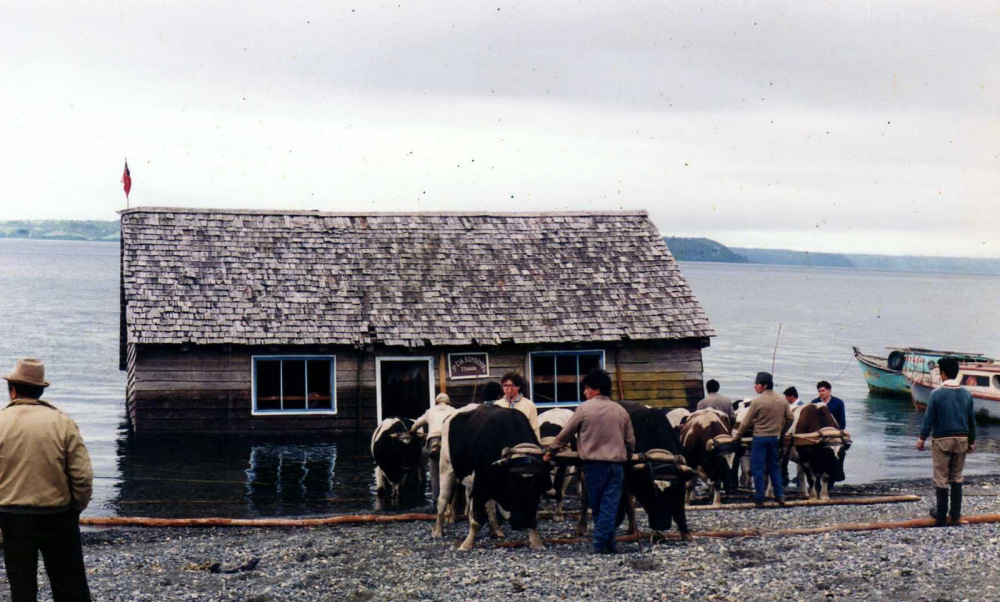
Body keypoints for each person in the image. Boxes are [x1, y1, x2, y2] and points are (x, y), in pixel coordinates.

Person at [0, 358, 93, 601]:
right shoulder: (62, 422)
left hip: (12, 517)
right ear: (40, 390)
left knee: (21, 589)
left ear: (13, 390)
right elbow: (82, 476)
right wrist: (76, 507)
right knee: (70, 586)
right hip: (57, 516)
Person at [543, 369, 634, 554]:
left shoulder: (584, 409)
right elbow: (630, 441)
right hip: (616, 465)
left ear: (596, 390)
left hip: (593, 466)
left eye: (586, 389)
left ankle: (600, 544)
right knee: (609, 504)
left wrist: (551, 451)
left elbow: (565, 434)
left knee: (600, 505)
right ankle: (610, 543)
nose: (584, 393)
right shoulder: (621, 410)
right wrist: (628, 455)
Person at [916, 356, 976, 526]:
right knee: (957, 477)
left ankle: (941, 514)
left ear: (942, 373)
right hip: (962, 439)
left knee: (941, 477)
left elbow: (929, 419)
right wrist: (971, 441)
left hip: (942, 439)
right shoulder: (966, 394)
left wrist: (921, 439)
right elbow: (971, 420)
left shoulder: (936, 394)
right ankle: (955, 514)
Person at [735, 371, 793, 508]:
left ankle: (760, 497)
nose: (755, 387)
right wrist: (782, 431)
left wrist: (737, 436)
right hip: (774, 438)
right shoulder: (782, 400)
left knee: (757, 468)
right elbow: (790, 418)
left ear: (764, 385)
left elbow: (746, 422)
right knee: (774, 467)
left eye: (757, 384)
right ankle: (780, 496)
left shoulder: (757, 401)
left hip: (760, 438)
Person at [410, 393, 456, 503]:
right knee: (450, 471)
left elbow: (417, 423)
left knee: (434, 472)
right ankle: (450, 500)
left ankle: (436, 500)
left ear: (436, 402)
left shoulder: (430, 412)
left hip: (433, 438)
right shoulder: (453, 410)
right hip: (448, 440)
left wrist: (412, 431)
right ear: (448, 401)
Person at [495, 372, 540, 440]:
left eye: (510, 386)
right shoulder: (497, 404)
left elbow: (535, 429)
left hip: (522, 443)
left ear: (518, 387)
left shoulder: (529, 405)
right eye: (505, 386)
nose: (506, 389)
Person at [780, 387, 803, 487]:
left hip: (795, 436)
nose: (785, 399)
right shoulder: (790, 405)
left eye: (786, 397)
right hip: (788, 435)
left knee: (797, 459)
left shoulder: (801, 406)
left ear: (791, 396)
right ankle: (785, 477)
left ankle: (799, 479)